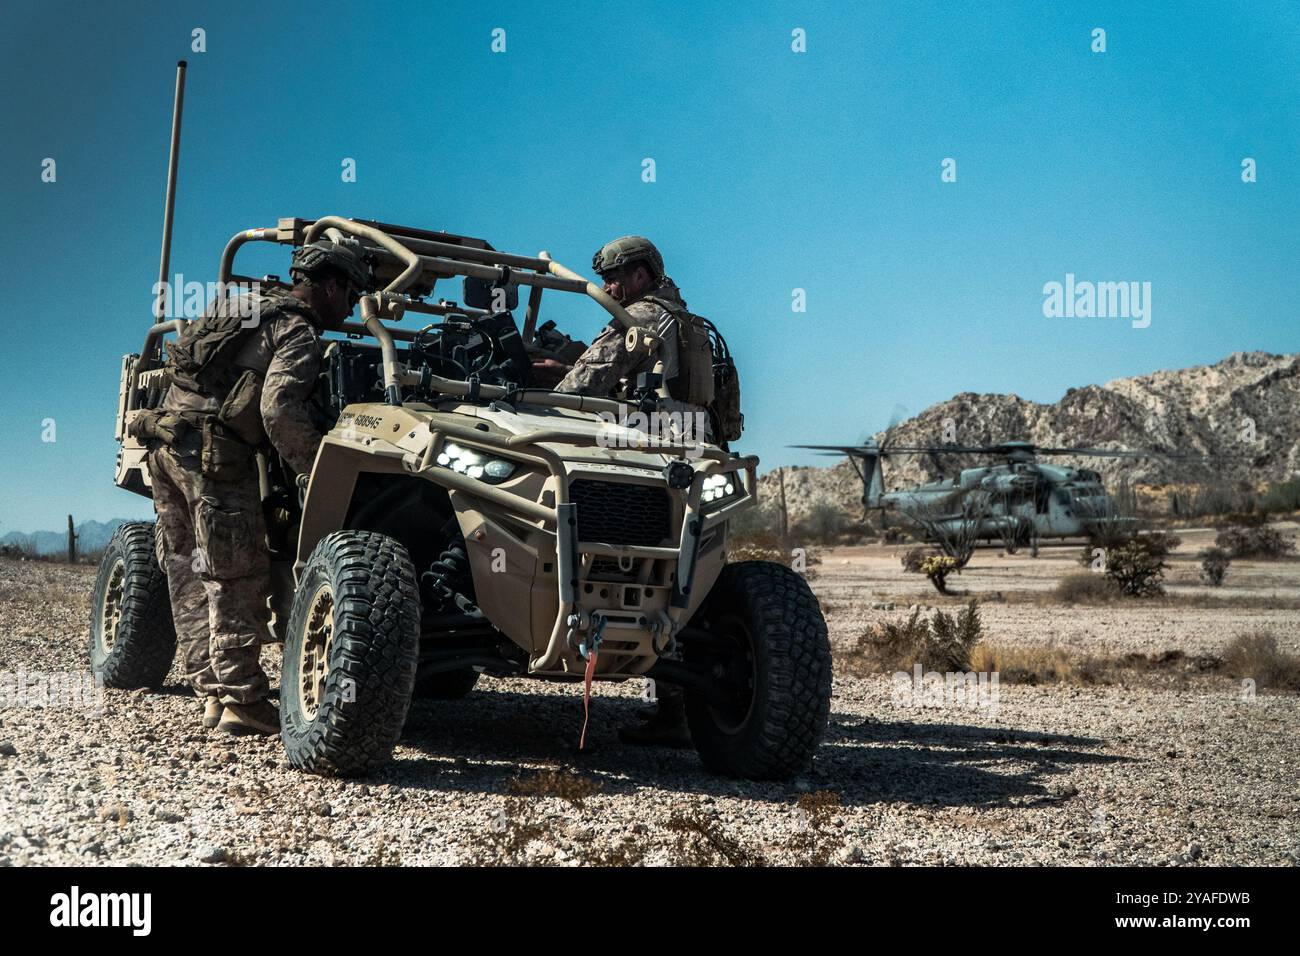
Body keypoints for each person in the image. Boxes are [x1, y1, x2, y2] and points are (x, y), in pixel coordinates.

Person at [137, 241, 366, 734]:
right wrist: (316, 468)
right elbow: (278, 411)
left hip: (164, 445)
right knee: (236, 575)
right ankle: (244, 701)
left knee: (188, 569)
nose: (350, 308)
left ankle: (212, 693)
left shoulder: (240, 303)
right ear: (330, 285)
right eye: (351, 295)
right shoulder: (296, 330)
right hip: (213, 461)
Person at [535, 236, 718, 747]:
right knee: (678, 586)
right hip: (682, 465)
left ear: (640, 276)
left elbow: (584, 386)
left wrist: (545, 390)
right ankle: (677, 714)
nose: (609, 287)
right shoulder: (690, 323)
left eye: (615, 277)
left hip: (632, 460)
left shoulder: (640, 318)